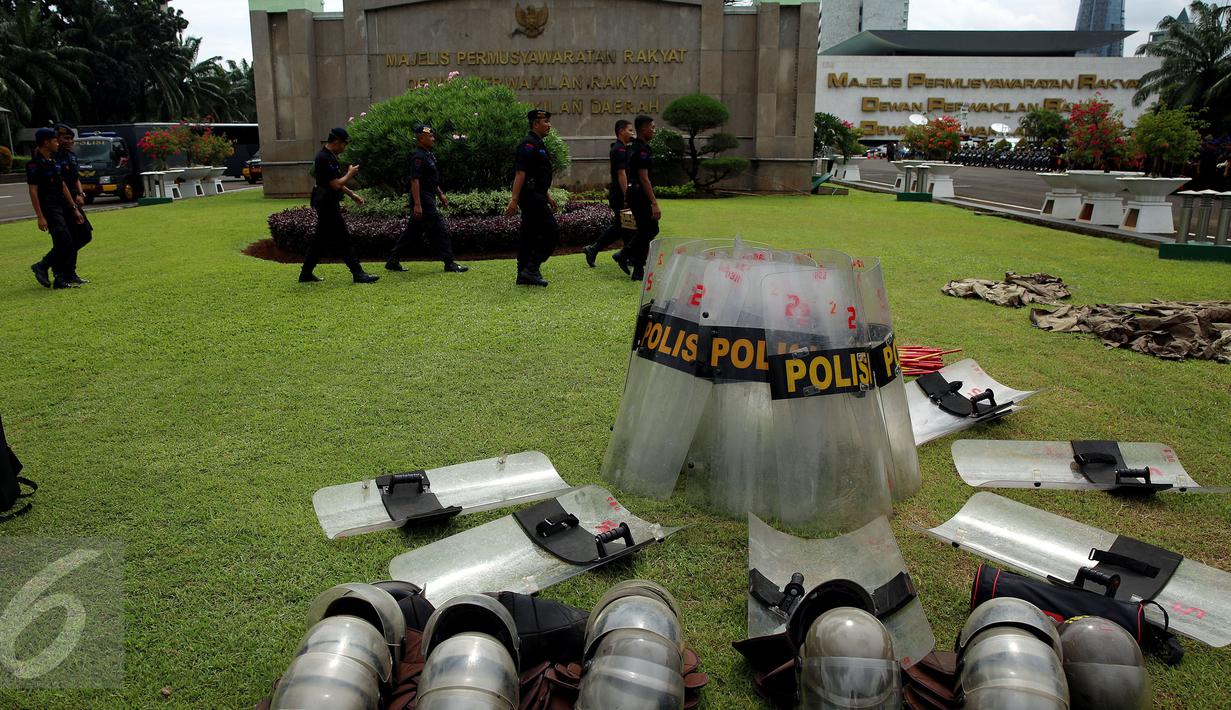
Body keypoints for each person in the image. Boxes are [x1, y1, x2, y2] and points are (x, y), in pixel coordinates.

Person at [300, 127, 378, 284]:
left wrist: (352, 195)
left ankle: (306, 273)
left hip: (328, 201)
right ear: (336, 142)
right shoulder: (324, 158)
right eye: (344, 144)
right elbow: (335, 184)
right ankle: (358, 273)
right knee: (343, 238)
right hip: (326, 203)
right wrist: (350, 174)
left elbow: (336, 182)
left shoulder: (329, 156)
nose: (344, 147)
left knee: (319, 240)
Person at [386, 125, 467, 274]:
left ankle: (392, 260)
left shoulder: (428, 155)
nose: (433, 139)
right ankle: (449, 263)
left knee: (412, 232)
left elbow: (430, 179)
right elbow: (415, 181)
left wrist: (440, 194)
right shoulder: (418, 157)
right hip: (422, 199)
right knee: (439, 230)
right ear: (421, 138)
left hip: (428, 195)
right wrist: (418, 204)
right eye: (430, 136)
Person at [504, 109, 558, 287]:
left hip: (537, 195)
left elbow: (536, 175)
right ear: (536, 123)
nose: (549, 125)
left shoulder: (538, 143)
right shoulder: (528, 145)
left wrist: (548, 196)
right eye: (546, 121)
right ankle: (532, 268)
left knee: (529, 235)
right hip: (531, 197)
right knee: (551, 233)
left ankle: (522, 274)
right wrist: (513, 200)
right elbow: (521, 173)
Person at [26, 127, 85, 289]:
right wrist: (40, 216)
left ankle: (50, 270)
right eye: (54, 140)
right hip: (49, 207)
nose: (57, 143)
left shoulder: (52, 161)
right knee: (64, 240)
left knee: (71, 239)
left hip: (61, 204)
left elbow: (63, 185)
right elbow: (33, 190)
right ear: (46, 143)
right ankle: (45, 267)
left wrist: (73, 208)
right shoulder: (34, 165)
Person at [582, 120, 634, 271]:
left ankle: (626, 254)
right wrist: (627, 195)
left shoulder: (624, 148)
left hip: (620, 194)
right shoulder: (618, 150)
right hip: (619, 194)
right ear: (621, 131)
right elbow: (621, 173)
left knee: (624, 225)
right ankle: (595, 249)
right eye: (629, 130)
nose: (632, 133)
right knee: (623, 225)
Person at [612, 115, 660, 281]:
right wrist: (654, 202)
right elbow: (644, 177)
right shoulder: (642, 150)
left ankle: (638, 270)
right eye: (652, 127)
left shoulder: (632, 147)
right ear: (644, 129)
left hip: (633, 193)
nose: (654, 131)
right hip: (640, 194)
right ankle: (623, 254)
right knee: (651, 230)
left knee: (645, 230)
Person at [52, 123, 92, 284]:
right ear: (57, 139)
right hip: (61, 203)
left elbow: (75, 177)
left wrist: (81, 193)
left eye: (71, 139)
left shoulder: (71, 155)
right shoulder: (54, 157)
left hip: (74, 200)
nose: (69, 142)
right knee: (66, 239)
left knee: (83, 235)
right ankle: (56, 268)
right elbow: (60, 184)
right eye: (66, 138)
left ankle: (68, 270)